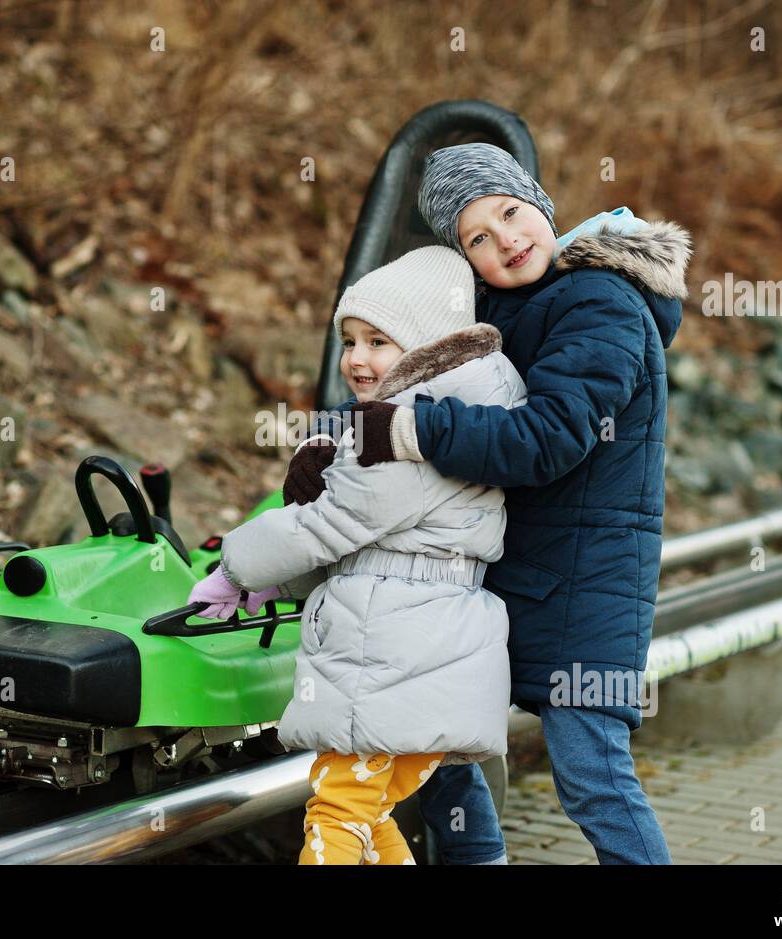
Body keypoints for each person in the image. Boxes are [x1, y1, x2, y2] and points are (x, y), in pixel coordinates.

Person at [285, 142, 691, 865]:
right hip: (499, 571)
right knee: (435, 741)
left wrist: (410, 431)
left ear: (539, 204)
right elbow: (408, 384)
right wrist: (337, 442)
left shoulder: (602, 301)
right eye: (477, 235)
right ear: (463, 254)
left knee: (590, 770)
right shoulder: (495, 309)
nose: (504, 239)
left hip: (586, 576)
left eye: (509, 212)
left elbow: (548, 438)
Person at [188, 245, 527, 865]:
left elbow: (332, 523)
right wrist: (274, 585)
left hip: (392, 646)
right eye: (349, 341)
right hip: (416, 640)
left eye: (378, 341)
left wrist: (235, 570)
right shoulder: (455, 415)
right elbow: (363, 544)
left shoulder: (404, 431)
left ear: (424, 343)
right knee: (365, 811)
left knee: (337, 811)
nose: (356, 359)